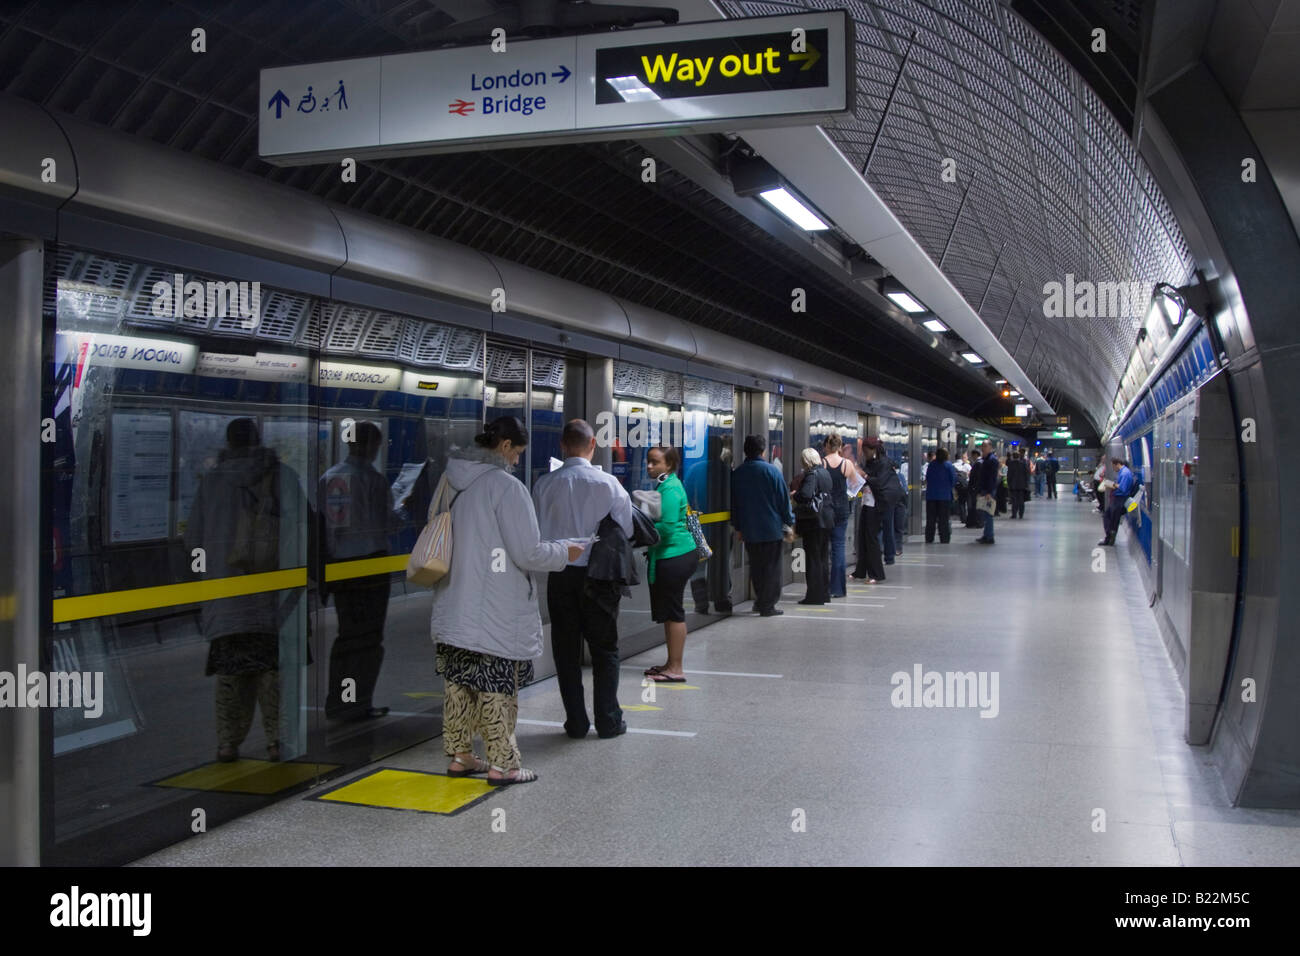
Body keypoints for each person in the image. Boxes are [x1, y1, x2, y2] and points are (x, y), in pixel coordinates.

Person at [430, 416, 583, 787]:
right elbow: (527, 552)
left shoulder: (450, 480)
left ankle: (460, 755)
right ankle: (504, 765)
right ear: (504, 446)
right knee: (496, 686)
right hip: (494, 610)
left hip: (453, 603)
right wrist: (565, 552)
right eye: (517, 453)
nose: (517, 461)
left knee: (459, 682)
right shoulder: (506, 488)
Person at [186, 418, 306, 763]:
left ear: (229, 442)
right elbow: (301, 530)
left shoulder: (211, 483)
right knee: (273, 674)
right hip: (272, 596)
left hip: (226, 597)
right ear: (258, 439)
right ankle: (276, 743)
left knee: (230, 676)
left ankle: (227, 744)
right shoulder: (283, 477)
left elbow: (194, 539)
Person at [532, 419, 634, 739]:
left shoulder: (544, 485)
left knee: (565, 650)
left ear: (563, 446)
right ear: (593, 446)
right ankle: (608, 720)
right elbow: (627, 530)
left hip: (560, 574)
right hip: (599, 577)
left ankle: (575, 722)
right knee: (605, 649)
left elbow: (534, 531)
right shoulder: (608, 484)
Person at [319, 421, 402, 722]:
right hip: (373, 566)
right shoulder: (374, 481)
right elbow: (388, 524)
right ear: (371, 446)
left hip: (341, 566)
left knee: (346, 637)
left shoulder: (329, 478)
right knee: (369, 639)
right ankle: (359, 703)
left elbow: (326, 527)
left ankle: (338, 700)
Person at [643, 446, 700, 681]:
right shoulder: (668, 485)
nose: (649, 466)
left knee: (674, 612)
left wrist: (639, 527)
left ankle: (676, 669)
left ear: (669, 465)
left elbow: (665, 529)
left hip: (674, 555)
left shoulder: (670, 489)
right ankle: (671, 663)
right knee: (670, 611)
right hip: (675, 554)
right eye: (648, 461)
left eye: (655, 462)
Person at [730, 435, 795, 617]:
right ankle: (768, 605)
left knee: (757, 567)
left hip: (750, 529)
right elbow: (783, 499)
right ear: (763, 450)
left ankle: (760, 600)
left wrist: (738, 526)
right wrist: (789, 521)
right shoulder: (772, 471)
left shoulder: (738, 473)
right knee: (772, 568)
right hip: (771, 529)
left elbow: (734, 503)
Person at [790, 447, 833, 604]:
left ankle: (814, 596)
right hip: (827, 520)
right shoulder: (825, 473)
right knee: (823, 558)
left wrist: (796, 495)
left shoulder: (811, 475)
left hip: (814, 522)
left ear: (806, 461)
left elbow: (806, 495)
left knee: (813, 559)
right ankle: (824, 593)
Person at [821, 434, 856, 598]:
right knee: (839, 548)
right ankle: (838, 589)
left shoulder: (822, 463)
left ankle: (823, 587)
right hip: (842, 508)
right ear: (840, 446)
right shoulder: (847, 464)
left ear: (827, 445)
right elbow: (855, 484)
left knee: (823, 548)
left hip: (825, 509)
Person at [861, 439, 903, 564]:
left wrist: (865, 476)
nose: (864, 454)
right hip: (879, 497)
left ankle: (888, 556)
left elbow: (879, 481)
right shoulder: (874, 462)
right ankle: (881, 554)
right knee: (883, 526)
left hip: (887, 497)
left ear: (873, 450)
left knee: (886, 526)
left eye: (866, 451)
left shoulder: (884, 462)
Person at [1099, 457, 1137, 546]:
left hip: (1121, 499)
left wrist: (1112, 484)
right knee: (1112, 518)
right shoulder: (1123, 472)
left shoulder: (1124, 473)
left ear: (1117, 464)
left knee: (1110, 518)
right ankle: (1109, 538)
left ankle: (1109, 538)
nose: (1113, 468)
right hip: (1119, 498)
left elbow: (1123, 488)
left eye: (1113, 466)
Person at [923, 447, 957, 543]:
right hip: (944, 496)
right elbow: (953, 479)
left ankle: (929, 538)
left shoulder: (931, 465)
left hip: (931, 496)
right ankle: (944, 538)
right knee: (944, 519)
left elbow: (928, 478)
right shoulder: (948, 465)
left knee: (931, 519)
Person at [975, 441, 999, 544]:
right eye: (982, 446)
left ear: (990, 447)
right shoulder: (986, 459)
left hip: (988, 490)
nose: (983, 448)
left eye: (985, 446)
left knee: (988, 513)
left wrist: (989, 491)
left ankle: (989, 536)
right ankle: (986, 534)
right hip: (985, 489)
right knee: (985, 512)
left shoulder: (992, 460)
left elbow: (992, 478)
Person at [1007, 451, 1030, 519]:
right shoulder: (1023, 464)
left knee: (1014, 500)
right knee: (1021, 500)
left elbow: (1009, 475)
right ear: (1019, 456)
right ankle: (1021, 514)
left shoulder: (1011, 464)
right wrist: (1026, 483)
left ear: (1013, 457)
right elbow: (1027, 474)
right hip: (1022, 485)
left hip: (1013, 485)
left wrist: (1009, 483)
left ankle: (1014, 514)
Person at [965, 448, 985, 528]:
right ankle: (976, 522)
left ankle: (978, 522)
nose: (971, 457)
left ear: (975, 455)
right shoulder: (980, 462)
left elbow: (977, 477)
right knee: (976, 505)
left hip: (975, 489)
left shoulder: (978, 463)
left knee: (976, 505)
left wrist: (974, 488)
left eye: (972, 455)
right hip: (977, 488)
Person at [952, 451, 970, 524]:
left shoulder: (952, 465)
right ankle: (967, 517)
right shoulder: (966, 465)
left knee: (960, 502)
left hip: (957, 486)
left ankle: (962, 517)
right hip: (966, 485)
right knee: (967, 501)